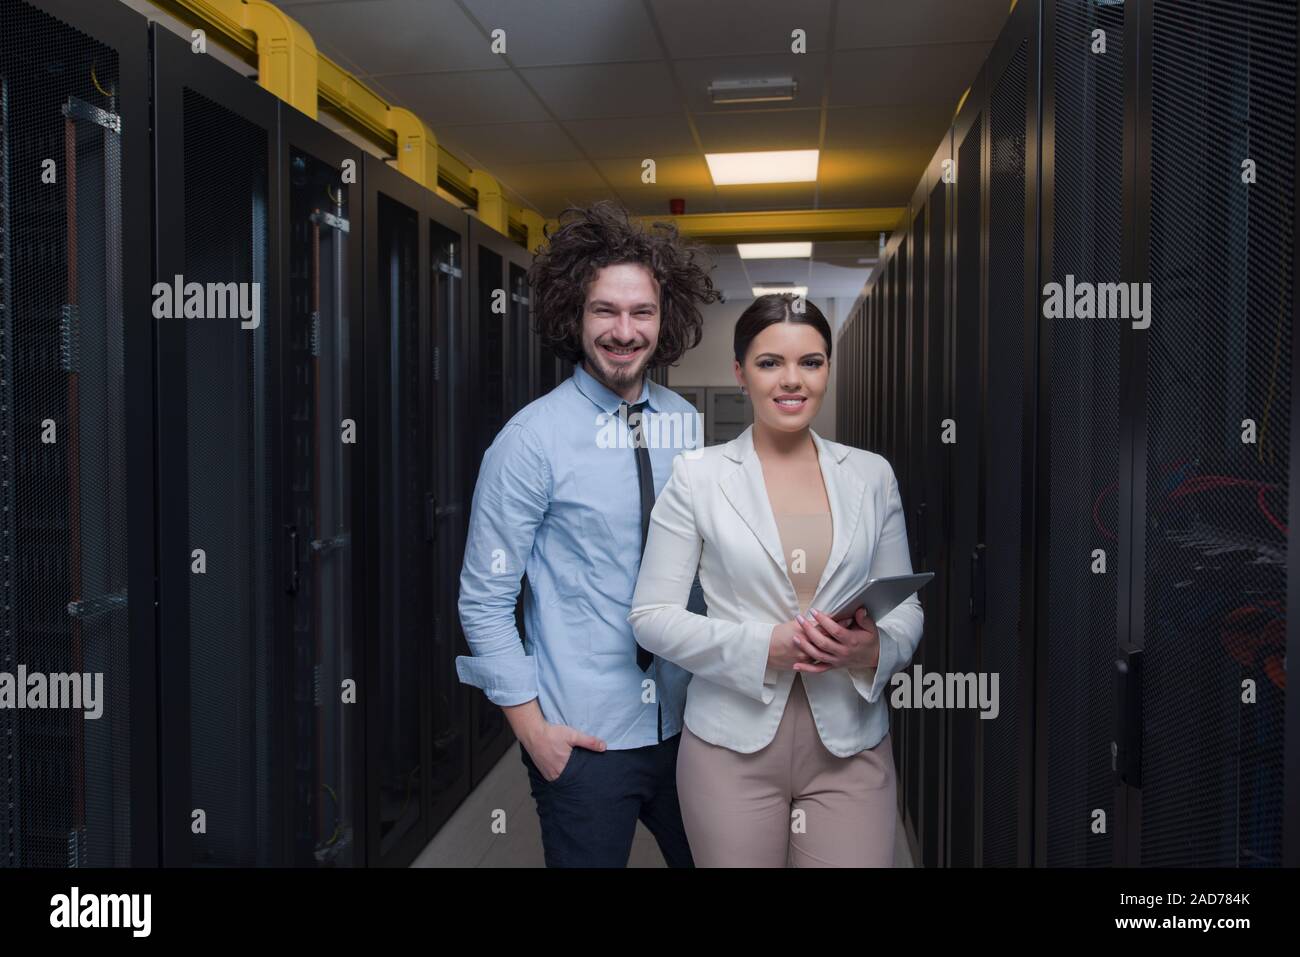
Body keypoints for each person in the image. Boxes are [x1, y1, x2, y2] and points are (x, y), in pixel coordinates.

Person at [456, 200, 717, 867]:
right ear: (574, 315)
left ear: (666, 319)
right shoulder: (530, 441)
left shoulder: (685, 423)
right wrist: (534, 732)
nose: (624, 331)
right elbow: (484, 600)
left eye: (641, 312)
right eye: (605, 310)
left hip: (690, 728)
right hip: (586, 741)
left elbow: (702, 571)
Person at [628, 293, 924, 867]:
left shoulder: (871, 475)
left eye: (811, 362)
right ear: (740, 372)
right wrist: (767, 646)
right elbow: (651, 618)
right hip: (729, 748)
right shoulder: (698, 477)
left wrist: (872, 648)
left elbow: (906, 606)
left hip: (851, 743)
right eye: (770, 363)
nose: (792, 381)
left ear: (828, 369)